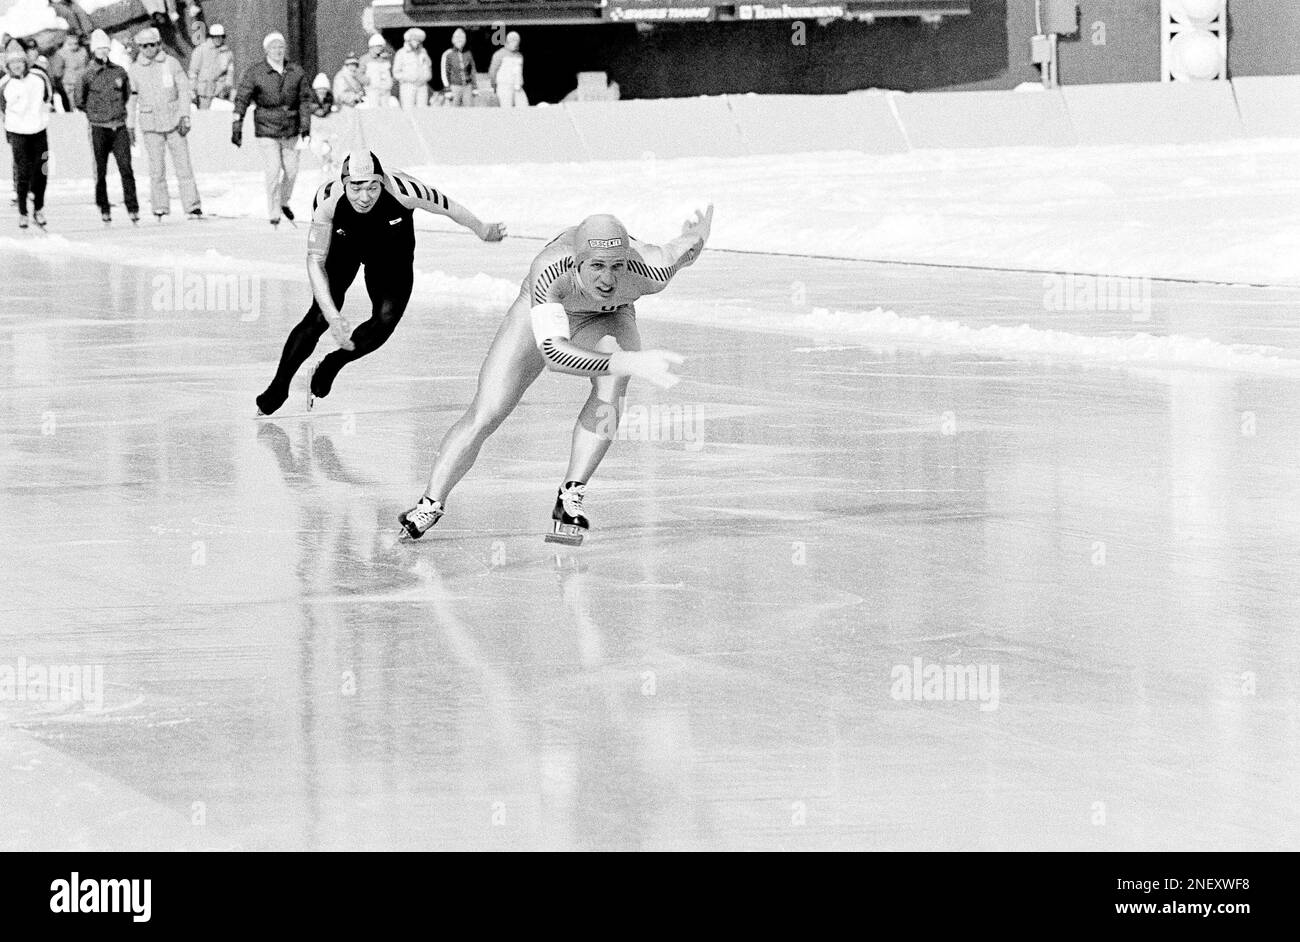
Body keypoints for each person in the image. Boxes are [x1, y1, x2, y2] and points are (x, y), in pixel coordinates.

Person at [399, 207, 713, 544]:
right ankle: (431, 502)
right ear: (577, 262)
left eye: (616, 267)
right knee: (487, 411)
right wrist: (627, 363)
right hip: (543, 314)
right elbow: (554, 354)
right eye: (596, 266)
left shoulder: (653, 268)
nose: (607, 280)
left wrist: (699, 232)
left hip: (608, 317)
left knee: (614, 386)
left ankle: (571, 494)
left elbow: (688, 246)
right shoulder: (551, 268)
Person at [254, 150, 507, 417]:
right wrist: (332, 313)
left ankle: (334, 362)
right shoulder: (327, 198)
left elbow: (449, 206)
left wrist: (481, 228)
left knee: (385, 320)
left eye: (373, 187)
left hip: (390, 253)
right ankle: (279, 387)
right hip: (345, 247)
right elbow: (315, 260)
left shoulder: (405, 189)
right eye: (356, 188)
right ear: (344, 183)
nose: (365, 197)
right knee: (318, 318)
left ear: (382, 181)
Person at [232, 31, 312, 228]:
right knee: (273, 170)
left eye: (281, 47)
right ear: (267, 50)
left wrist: (306, 126)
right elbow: (242, 98)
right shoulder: (256, 72)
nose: (278, 50)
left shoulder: (295, 71)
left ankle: (284, 201)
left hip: (290, 128)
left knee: (292, 171)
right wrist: (237, 125)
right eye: (274, 47)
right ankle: (274, 211)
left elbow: (304, 100)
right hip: (267, 129)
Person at [128, 26, 201, 220]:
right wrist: (130, 125)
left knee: (184, 166)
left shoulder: (171, 63)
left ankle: (192, 205)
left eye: (152, 45)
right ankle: (160, 206)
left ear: (159, 44)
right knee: (156, 169)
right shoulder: (134, 70)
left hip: (174, 121)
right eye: (144, 46)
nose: (149, 49)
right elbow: (131, 99)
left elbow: (183, 90)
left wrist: (185, 115)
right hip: (151, 124)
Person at [77, 29, 138, 224]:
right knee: (101, 169)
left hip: (118, 126)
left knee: (126, 168)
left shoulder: (119, 71)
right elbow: (79, 99)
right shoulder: (87, 74)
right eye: (99, 49)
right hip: (99, 127)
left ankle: (132, 206)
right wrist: (94, 113)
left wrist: (118, 110)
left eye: (105, 49)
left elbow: (126, 94)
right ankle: (103, 206)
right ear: (94, 50)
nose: (103, 52)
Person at [2, 43, 52, 228]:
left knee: (42, 170)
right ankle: (23, 211)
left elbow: (48, 96)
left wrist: (40, 114)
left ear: (25, 63)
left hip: (39, 130)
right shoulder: (5, 83)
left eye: (19, 62)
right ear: (8, 66)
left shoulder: (39, 77)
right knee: (22, 172)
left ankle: (39, 207)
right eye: (12, 63)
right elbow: (3, 108)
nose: (16, 66)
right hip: (18, 133)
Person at [188, 22, 234, 108]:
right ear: (211, 37)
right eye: (215, 36)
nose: (218, 39)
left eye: (221, 36)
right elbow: (193, 71)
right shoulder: (200, 50)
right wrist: (192, 90)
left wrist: (227, 87)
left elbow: (230, 72)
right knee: (204, 118)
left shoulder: (227, 52)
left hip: (220, 93)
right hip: (203, 92)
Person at [392, 27, 431, 109]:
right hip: (408, 86)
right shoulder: (401, 53)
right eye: (415, 40)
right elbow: (396, 72)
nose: (417, 43)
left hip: (422, 86)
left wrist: (425, 78)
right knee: (408, 110)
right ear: (409, 40)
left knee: (422, 110)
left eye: (419, 40)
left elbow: (428, 67)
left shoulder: (423, 52)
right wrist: (409, 78)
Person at [488, 31, 525, 108]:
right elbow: (492, 72)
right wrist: (493, 86)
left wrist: (519, 83)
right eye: (512, 41)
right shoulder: (499, 54)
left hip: (517, 87)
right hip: (504, 87)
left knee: (524, 106)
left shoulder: (519, 56)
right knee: (506, 109)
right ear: (507, 41)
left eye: (516, 41)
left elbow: (519, 72)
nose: (515, 43)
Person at [439, 28, 476, 108]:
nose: (460, 40)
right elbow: (444, 73)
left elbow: (472, 71)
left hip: (467, 87)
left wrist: (474, 87)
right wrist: (447, 89)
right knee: (453, 111)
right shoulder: (448, 54)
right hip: (454, 87)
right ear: (453, 40)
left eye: (462, 38)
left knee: (470, 111)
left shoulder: (468, 53)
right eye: (457, 38)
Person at [358, 33, 394, 108]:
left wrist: (391, 81)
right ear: (371, 47)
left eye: (381, 46)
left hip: (385, 90)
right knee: (374, 110)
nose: (379, 48)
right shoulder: (365, 59)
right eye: (377, 46)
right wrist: (367, 81)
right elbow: (359, 73)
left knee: (386, 110)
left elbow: (390, 72)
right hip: (373, 90)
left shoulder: (386, 59)